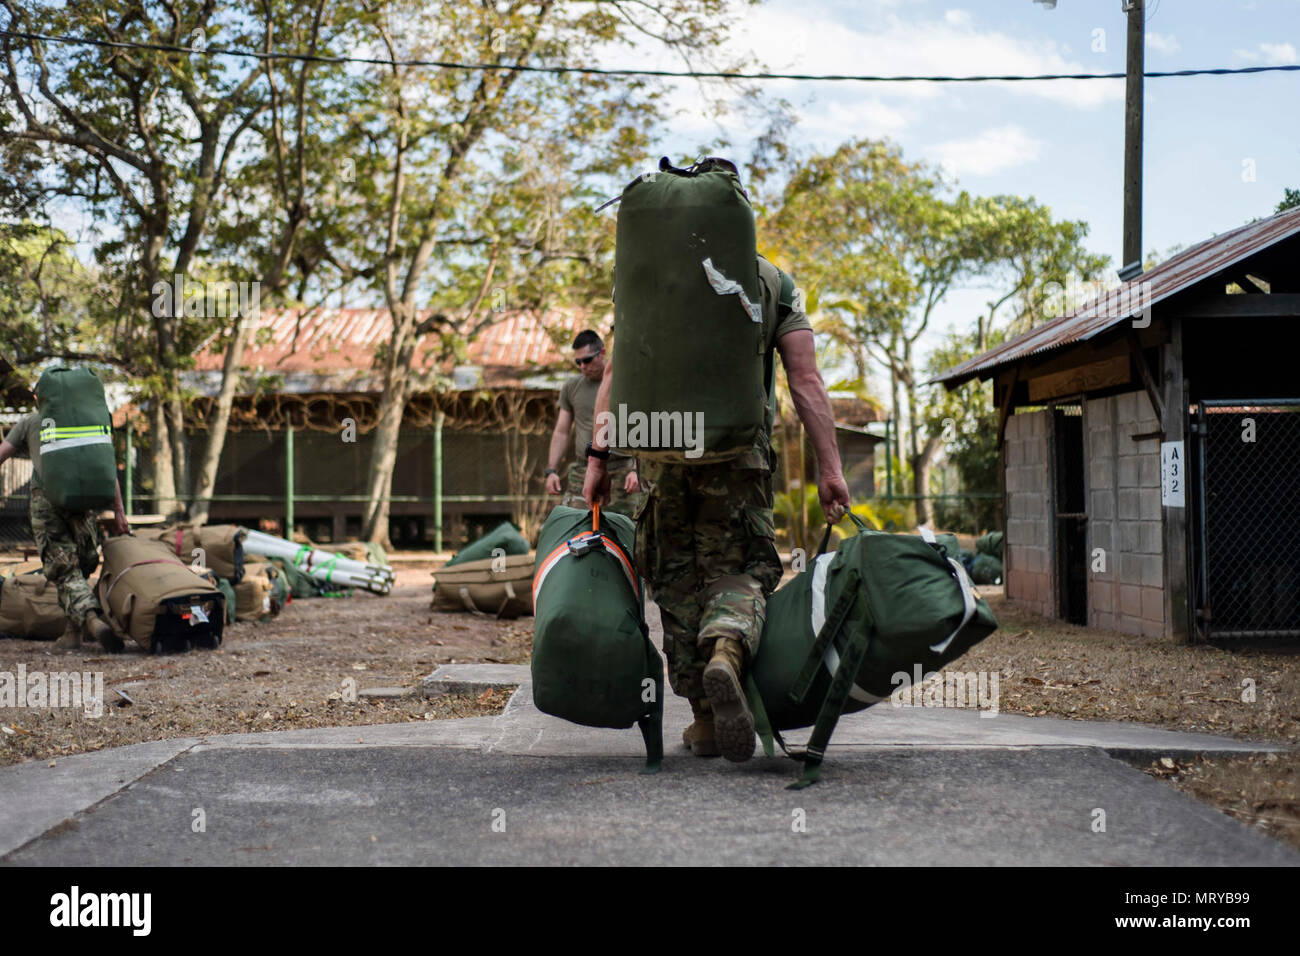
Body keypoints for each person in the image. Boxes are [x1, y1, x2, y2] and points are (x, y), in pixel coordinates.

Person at [584, 255, 851, 763]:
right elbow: (806, 380)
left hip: (661, 449)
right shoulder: (773, 282)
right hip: (738, 456)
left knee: (675, 574)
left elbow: (616, 375)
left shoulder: (649, 271)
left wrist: (599, 458)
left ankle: (704, 718)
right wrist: (831, 467)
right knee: (742, 571)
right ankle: (727, 648)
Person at [0, 382, 130, 652]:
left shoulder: (31, 421)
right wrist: (119, 510)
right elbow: (106, 468)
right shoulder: (89, 422)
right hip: (83, 503)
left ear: (38, 397)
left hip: (47, 503)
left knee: (64, 569)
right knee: (81, 564)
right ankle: (73, 635)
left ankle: (92, 621)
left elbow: (3, 454)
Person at [544, 330, 643, 518]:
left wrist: (637, 469)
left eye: (587, 360)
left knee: (627, 532)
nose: (582, 366)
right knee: (574, 527)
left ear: (602, 353)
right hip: (584, 469)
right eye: (578, 362)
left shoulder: (626, 385)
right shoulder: (572, 387)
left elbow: (644, 425)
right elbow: (562, 432)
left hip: (623, 471)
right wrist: (551, 470)